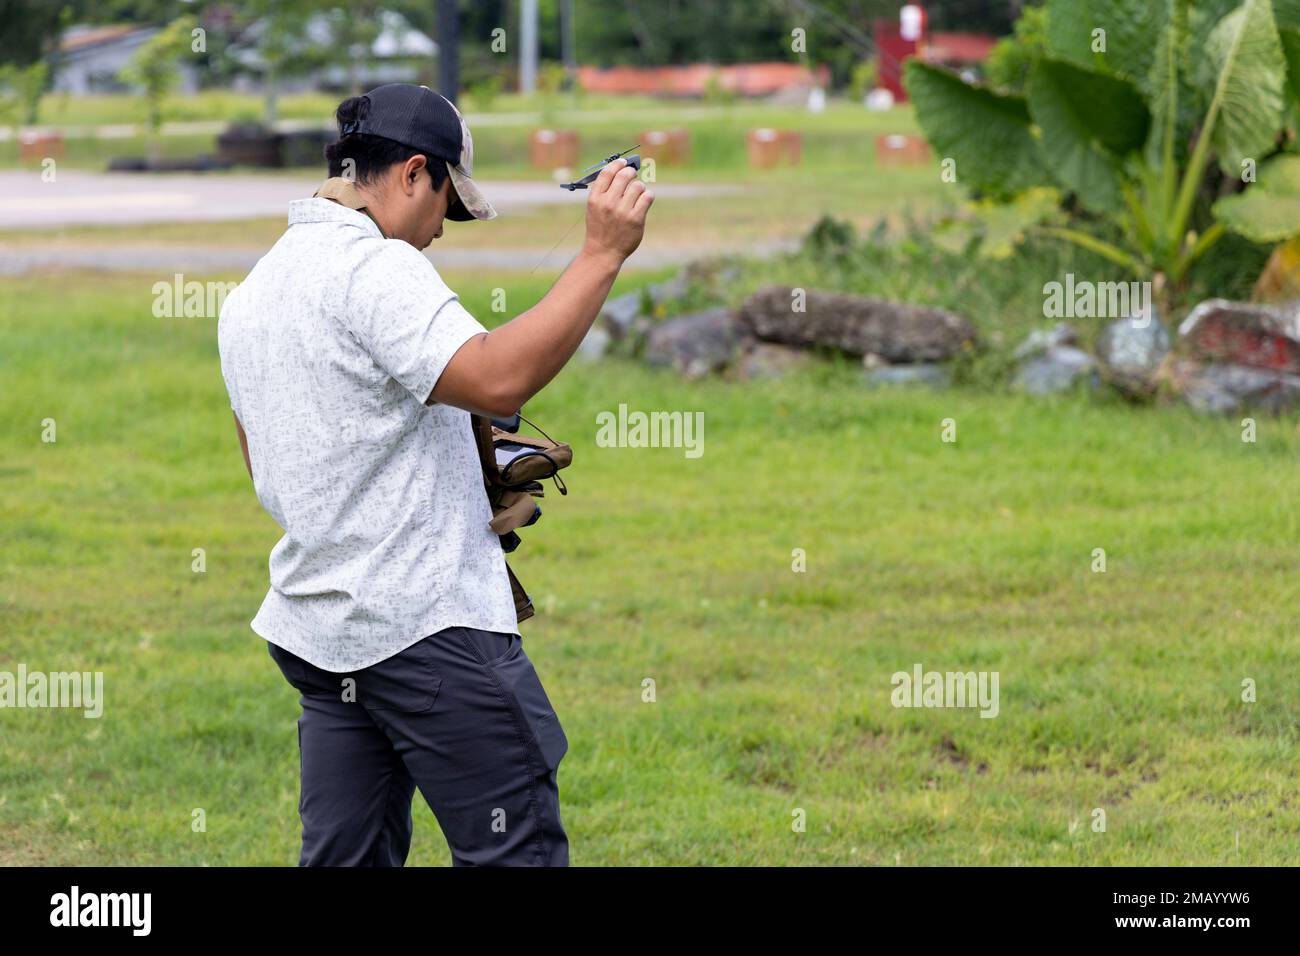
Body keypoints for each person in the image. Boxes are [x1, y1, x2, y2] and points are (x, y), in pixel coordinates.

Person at [216, 84, 653, 866]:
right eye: (447, 206)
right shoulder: (374, 268)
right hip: (427, 634)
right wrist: (602, 253)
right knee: (513, 851)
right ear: (415, 172)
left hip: (323, 636)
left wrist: (454, 481)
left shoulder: (254, 290)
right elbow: (498, 380)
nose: (436, 236)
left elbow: (273, 457)